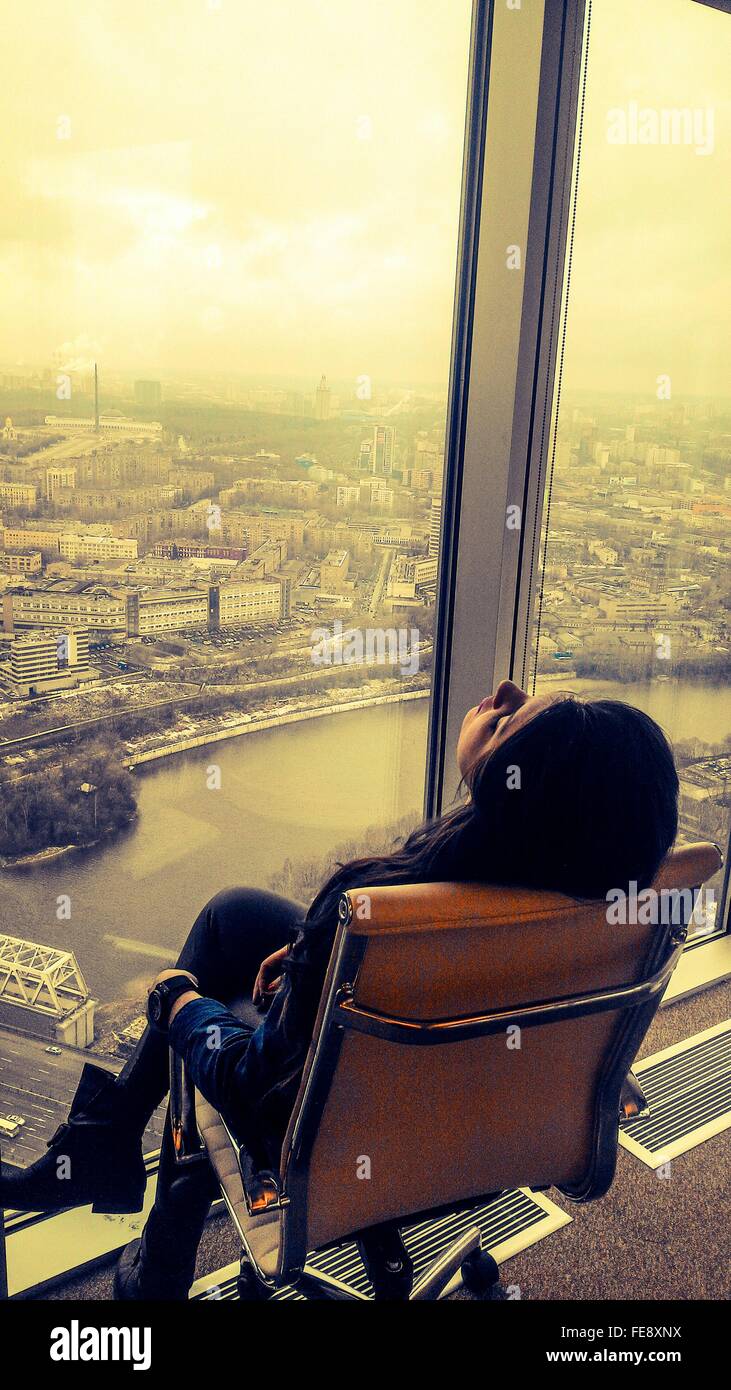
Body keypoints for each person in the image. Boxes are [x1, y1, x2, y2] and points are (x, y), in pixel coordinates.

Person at [0, 681, 679, 1298]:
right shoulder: (608, 907)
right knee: (234, 915)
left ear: (511, 788)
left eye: (510, 722)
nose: (502, 689)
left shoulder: (379, 910)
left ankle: (145, 1221)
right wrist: (310, 953)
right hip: (504, 1128)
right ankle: (110, 1152)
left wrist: (176, 1001)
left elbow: (249, 1085)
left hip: (350, 1141)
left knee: (202, 1006)